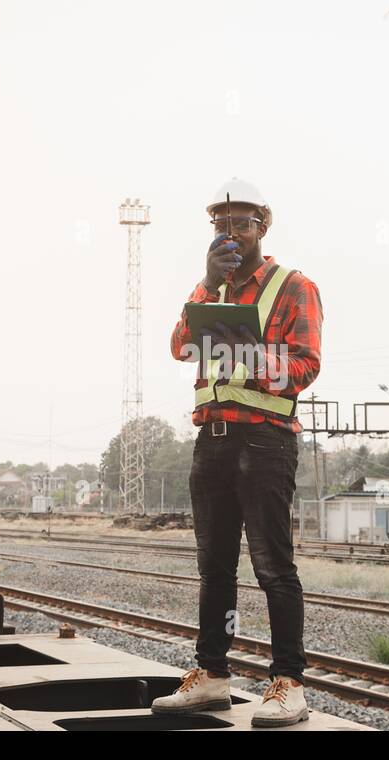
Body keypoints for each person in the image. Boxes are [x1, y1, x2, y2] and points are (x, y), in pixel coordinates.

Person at [151, 178, 323, 727]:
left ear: (262, 227)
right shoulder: (211, 291)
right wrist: (204, 282)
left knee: (274, 568)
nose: (231, 233)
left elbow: (308, 365)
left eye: (241, 223)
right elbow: (179, 346)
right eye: (221, 225)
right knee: (215, 569)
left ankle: (288, 683)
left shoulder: (293, 286)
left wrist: (257, 357)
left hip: (265, 441)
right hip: (213, 442)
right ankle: (214, 676)